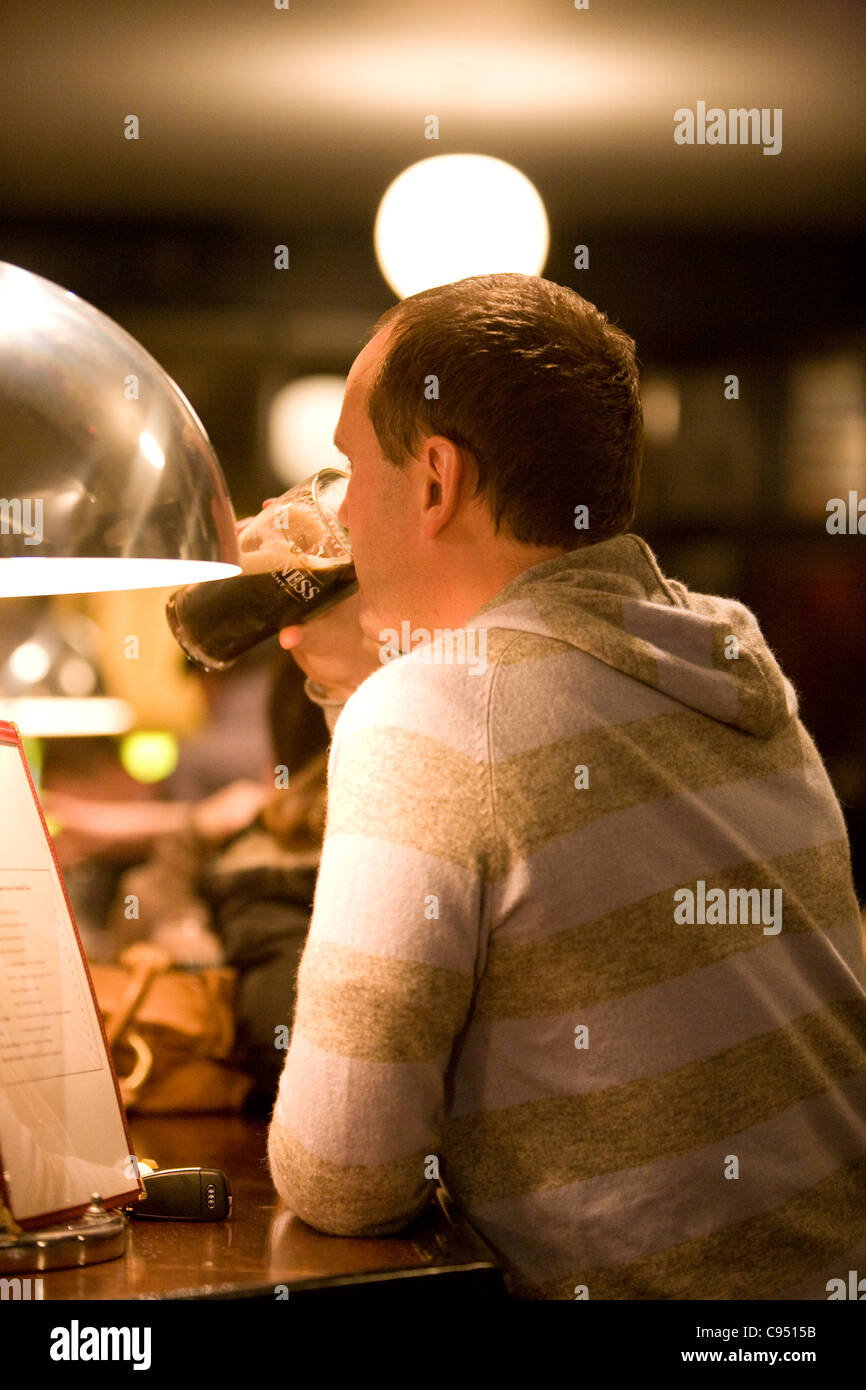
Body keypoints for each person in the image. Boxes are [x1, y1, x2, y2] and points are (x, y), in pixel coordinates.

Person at [266, 272, 866, 1300]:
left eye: (347, 465)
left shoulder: (433, 712)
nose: (338, 505)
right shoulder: (723, 656)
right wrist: (367, 697)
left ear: (433, 480)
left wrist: (386, 704)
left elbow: (345, 1172)